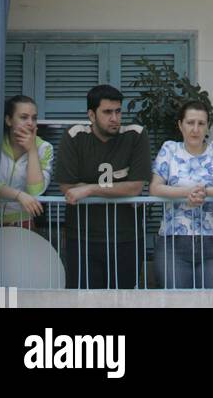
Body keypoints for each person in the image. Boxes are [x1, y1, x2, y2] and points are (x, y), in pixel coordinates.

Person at [54, 84, 151, 289]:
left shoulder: (135, 135)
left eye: (118, 111)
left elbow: (134, 187)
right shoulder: (74, 136)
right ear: (91, 114)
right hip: (81, 236)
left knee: (123, 300)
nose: (115, 118)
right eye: (107, 112)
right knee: (82, 300)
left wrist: (89, 189)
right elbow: (67, 187)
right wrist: (117, 189)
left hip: (126, 236)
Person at [150, 99, 213, 289]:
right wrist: (188, 193)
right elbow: (155, 188)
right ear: (180, 125)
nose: (195, 129)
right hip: (173, 240)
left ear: (207, 126)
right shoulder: (170, 149)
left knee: (212, 302)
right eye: (190, 122)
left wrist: (205, 192)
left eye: (201, 123)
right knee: (176, 302)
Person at [0, 95, 53, 226]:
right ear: (8, 120)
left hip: (22, 221)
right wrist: (18, 195)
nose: (30, 123)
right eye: (23, 117)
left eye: (34, 118)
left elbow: (36, 191)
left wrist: (32, 150)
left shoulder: (45, 148)